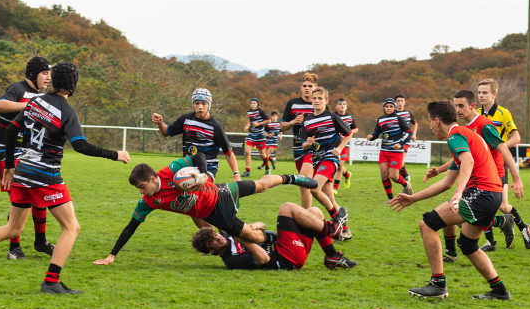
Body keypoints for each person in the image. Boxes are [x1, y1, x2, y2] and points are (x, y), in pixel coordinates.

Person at [0, 62, 131, 294]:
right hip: (45, 175)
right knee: (71, 227)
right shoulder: (67, 112)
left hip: (23, 171)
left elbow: (12, 129)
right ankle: (52, 282)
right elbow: (80, 145)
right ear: (73, 85)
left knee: (13, 228)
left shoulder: (36, 102)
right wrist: (116, 155)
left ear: (54, 81)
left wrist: (10, 167)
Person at [92, 154, 318, 265]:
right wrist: (112, 255)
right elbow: (131, 226)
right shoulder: (149, 202)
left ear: (152, 179)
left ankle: (292, 178)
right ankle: (269, 237)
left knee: (260, 185)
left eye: (143, 187)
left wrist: (202, 175)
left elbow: (197, 156)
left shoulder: (171, 171)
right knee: (252, 237)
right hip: (215, 214)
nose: (142, 193)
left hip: (221, 191)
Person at [390, 100, 511, 300]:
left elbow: (468, 161)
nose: (429, 126)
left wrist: (459, 192)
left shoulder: (455, 136)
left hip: (481, 193)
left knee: (427, 224)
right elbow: (446, 183)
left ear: (437, 121)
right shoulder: (464, 134)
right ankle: (499, 291)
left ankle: (438, 284)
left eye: (430, 121)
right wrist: (413, 198)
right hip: (492, 194)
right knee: (468, 245)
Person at [425, 90, 527, 263]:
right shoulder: (464, 128)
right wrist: (440, 170)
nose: (457, 110)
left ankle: (502, 224)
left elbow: (503, 149)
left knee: (459, 212)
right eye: (455, 106)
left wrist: (516, 178)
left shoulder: (484, 125)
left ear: (472, 106)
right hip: (473, 176)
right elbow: (461, 157)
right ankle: (498, 225)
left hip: (490, 176)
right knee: (455, 213)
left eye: (461, 106)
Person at [0, 56, 54, 260]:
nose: (48, 77)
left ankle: (40, 241)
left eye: (50, 74)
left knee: (39, 189)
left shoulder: (42, 95)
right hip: (3, 151)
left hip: (25, 151)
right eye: (44, 73)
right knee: (20, 199)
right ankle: (14, 248)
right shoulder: (17, 89)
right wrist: (27, 106)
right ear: (33, 74)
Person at [191, 202, 355, 270]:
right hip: (286, 257)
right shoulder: (231, 260)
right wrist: (244, 240)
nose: (217, 238)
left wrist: (256, 225)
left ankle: (332, 256)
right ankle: (331, 229)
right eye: (212, 241)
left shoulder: (228, 236)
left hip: (288, 245)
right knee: (286, 208)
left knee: (314, 212)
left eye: (214, 234)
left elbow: (262, 226)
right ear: (210, 250)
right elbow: (263, 259)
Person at [477, 79, 530, 251]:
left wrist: (500, 146)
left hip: (500, 164)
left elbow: (516, 137)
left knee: (502, 206)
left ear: (494, 94)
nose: (481, 96)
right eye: (479, 93)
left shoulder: (503, 113)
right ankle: (490, 242)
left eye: (485, 92)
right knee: (482, 204)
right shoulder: (476, 114)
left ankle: (523, 227)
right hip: (482, 166)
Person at [152, 88, 242, 182]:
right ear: (193, 104)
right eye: (197, 103)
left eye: (204, 103)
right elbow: (167, 132)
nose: (200, 107)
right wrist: (160, 123)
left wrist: (236, 174)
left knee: (195, 188)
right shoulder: (186, 120)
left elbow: (228, 153)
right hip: (188, 165)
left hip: (208, 168)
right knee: (166, 182)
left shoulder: (216, 127)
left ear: (209, 105)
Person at [298, 87, 352, 237]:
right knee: (329, 199)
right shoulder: (307, 120)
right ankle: (345, 229)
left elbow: (349, 133)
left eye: (320, 98)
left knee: (314, 189)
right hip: (317, 160)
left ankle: (337, 220)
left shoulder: (332, 117)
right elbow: (303, 144)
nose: (316, 101)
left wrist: (340, 148)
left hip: (330, 158)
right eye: (314, 98)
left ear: (326, 101)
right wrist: (307, 143)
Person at [281, 72, 320, 208]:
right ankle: (313, 216)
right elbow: (282, 126)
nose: (307, 88)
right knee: (305, 187)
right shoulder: (292, 104)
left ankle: (307, 219)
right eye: (304, 85)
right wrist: (292, 122)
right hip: (298, 150)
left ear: (315, 87)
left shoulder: (320, 104)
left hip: (314, 150)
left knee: (304, 181)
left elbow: (327, 125)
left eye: (310, 85)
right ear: (301, 88)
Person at [367, 98, 412, 199]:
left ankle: (406, 184)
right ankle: (390, 199)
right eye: (387, 106)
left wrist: (400, 143)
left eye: (391, 106)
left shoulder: (399, 119)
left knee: (394, 177)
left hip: (396, 152)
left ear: (394, 108)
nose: (388, 108)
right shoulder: (380, 119)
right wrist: (371, 137)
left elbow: (409, 132)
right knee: (384, 175)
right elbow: (376, 133)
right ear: (384, 107)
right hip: (384, 151)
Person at [333, 98, 358, 194]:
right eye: (340, 104)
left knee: (339, 166)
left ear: (346, 106)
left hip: (345, 145)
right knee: (336, 165)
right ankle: (347, 174)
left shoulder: (350, 117)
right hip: (334, 144)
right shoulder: (333, 116)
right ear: (336, 106)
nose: (342, 106)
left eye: (344, 104)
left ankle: (335, 188)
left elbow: (355, 129)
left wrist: (349, 133)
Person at [242, 98, 270, 176]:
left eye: (254, 103)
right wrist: (247, 126)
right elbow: (249, 120)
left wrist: (258, 124)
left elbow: (268, 120)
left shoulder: (261, 112)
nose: (252, 105)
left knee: (262, 154)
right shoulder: (249, 112)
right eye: (251, 103)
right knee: (247, 152)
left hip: (260, 136)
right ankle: (247, 171)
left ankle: (267, 167)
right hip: (251, 135)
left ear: (257, 104)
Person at [395, 94, 417, 190]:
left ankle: (405, 177)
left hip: (405, 140)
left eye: (401, 101)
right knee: (397, 164)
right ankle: (405, 176)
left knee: (399, 161)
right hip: (395, 141)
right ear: (395, 103)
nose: (400, 103)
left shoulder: (408, 113)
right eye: (398, 101)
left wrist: (414, 134)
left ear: (404, 102)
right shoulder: (392, 113)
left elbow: (415, 123)